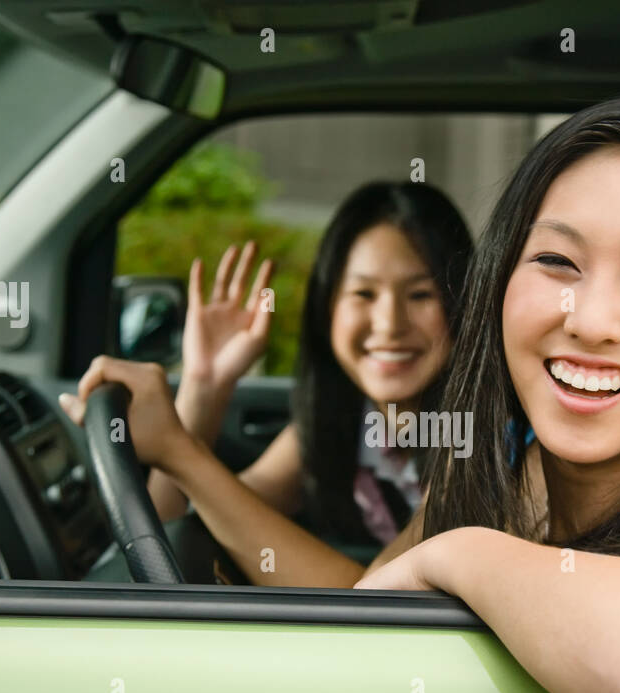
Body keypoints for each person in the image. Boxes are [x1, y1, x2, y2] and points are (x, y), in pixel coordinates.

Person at [66, 94, 620, 693]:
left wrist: (456, 554)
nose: (592, 319)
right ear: (499, 285)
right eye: (558, 263)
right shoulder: (501, 477)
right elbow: (365, 619)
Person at [61, 181, 472, 586]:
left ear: (466, 303)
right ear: (326, 309)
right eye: (363, 293)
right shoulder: (347, 420)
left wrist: (178, 451)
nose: (389, 324)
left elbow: (375, 599)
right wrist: (204, 387)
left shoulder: (475, 436)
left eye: (420, 295)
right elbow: (172, 534)